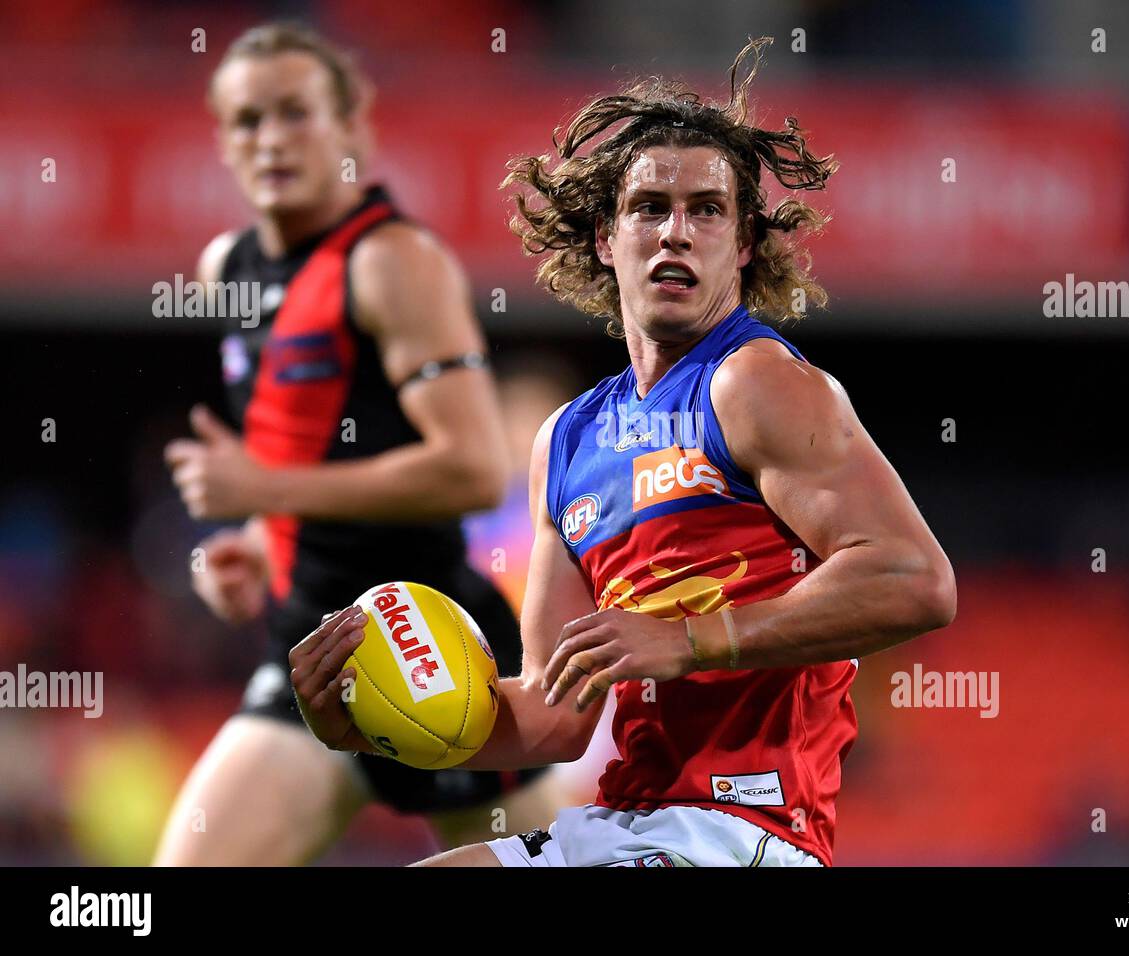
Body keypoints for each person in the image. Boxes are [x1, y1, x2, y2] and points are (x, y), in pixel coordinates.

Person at [290, 36, 956, 867]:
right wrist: (368, 725)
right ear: (606, 238)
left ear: (744, 244)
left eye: (707, 210)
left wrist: (689, 640)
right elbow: (553, 716)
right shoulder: (566, 441)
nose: (676, 232)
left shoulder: (756, 385)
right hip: (621, 824)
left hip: (744, 832)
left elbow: (913, 580)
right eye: (650, 208)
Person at [153, 22, 559, 866]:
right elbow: (302, 459)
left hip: (433, 650)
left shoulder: (393, 263)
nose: (271, 140)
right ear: (223, 141)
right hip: (310, 654)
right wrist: (259, 548)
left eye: (296, 113)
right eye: (248, 121)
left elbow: (474, 468)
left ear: (351, 128)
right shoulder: (225, 269)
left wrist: (264, 489)